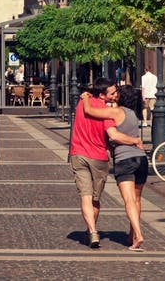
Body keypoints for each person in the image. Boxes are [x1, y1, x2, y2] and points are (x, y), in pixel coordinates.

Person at [70, 78, 144, 250]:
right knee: (96, 199)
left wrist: (86, 97)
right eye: (112, 93)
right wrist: (134, 141)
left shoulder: (82, 102)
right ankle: (101, 231)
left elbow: (87, 113)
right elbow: (112, 135)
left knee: (85, 196)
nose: (115, 95)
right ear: (103, 95)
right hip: (99, 157)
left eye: (116, 93)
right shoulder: (107, 111)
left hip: (78, 153)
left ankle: (92, 231)